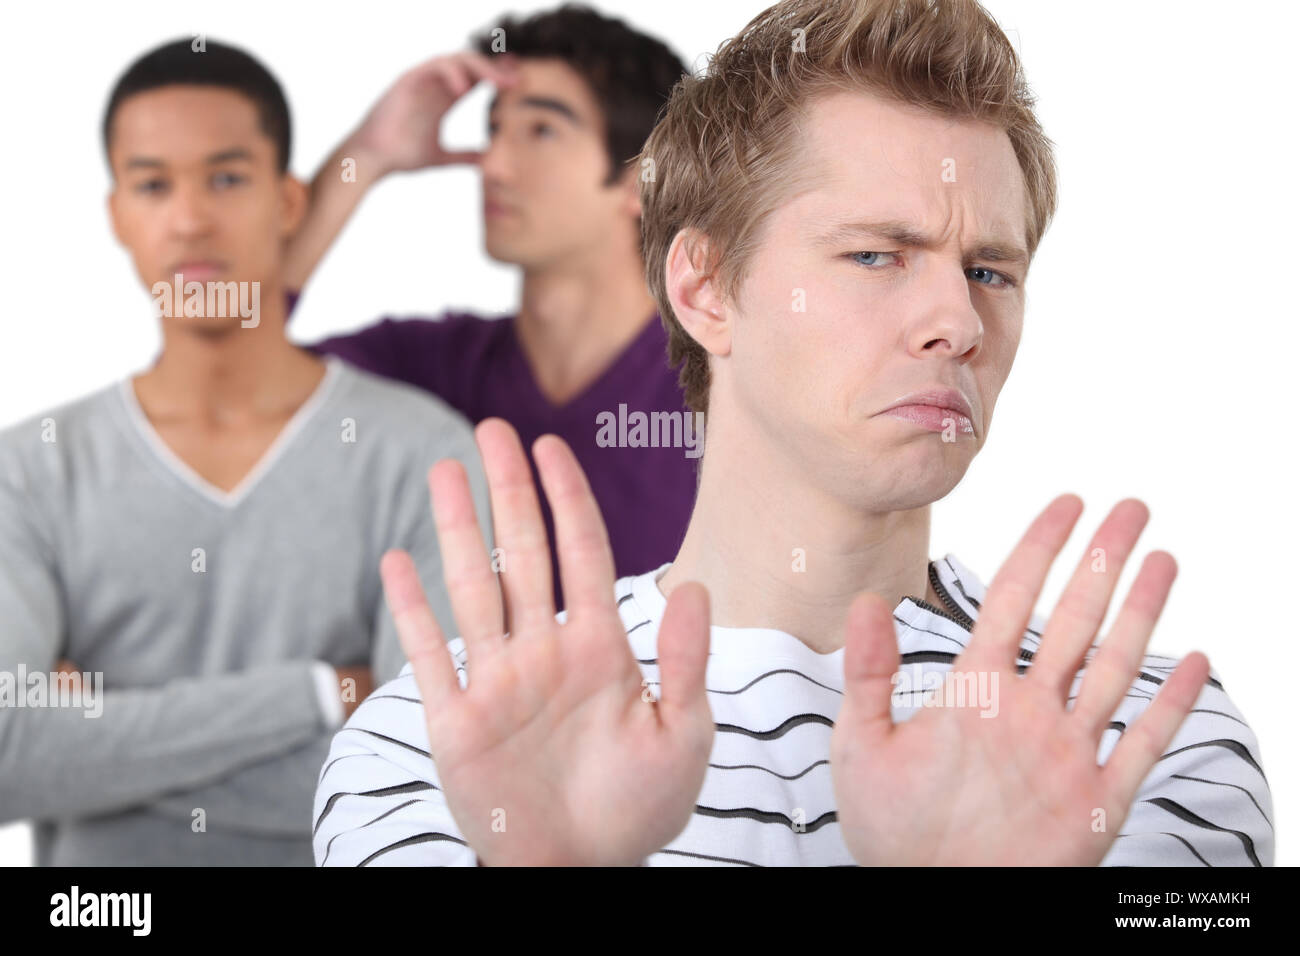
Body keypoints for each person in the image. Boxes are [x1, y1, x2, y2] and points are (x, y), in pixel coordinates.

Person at [312, 0, 1273, 866]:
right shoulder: (445, 741)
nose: (959, 322)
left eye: (989, 271)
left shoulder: (1151, 738)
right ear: (704, 289)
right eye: (875, 255)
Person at [0, 37, 489, 866]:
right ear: (117, 213)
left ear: (289, 203)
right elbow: (8, 763)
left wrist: (105, 737)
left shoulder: (421, 452)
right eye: (154, 184)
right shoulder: (32, 469)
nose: (190, 217)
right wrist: (321, 694)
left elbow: (438, 778)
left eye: (227, 177)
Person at [285, 4, 694, 608]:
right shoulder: (431, 367)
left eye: (541, 131)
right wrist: (366, 156)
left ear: (640, 179)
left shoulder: (724, 385)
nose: (493, 165)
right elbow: (232, 376)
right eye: (494, 130)